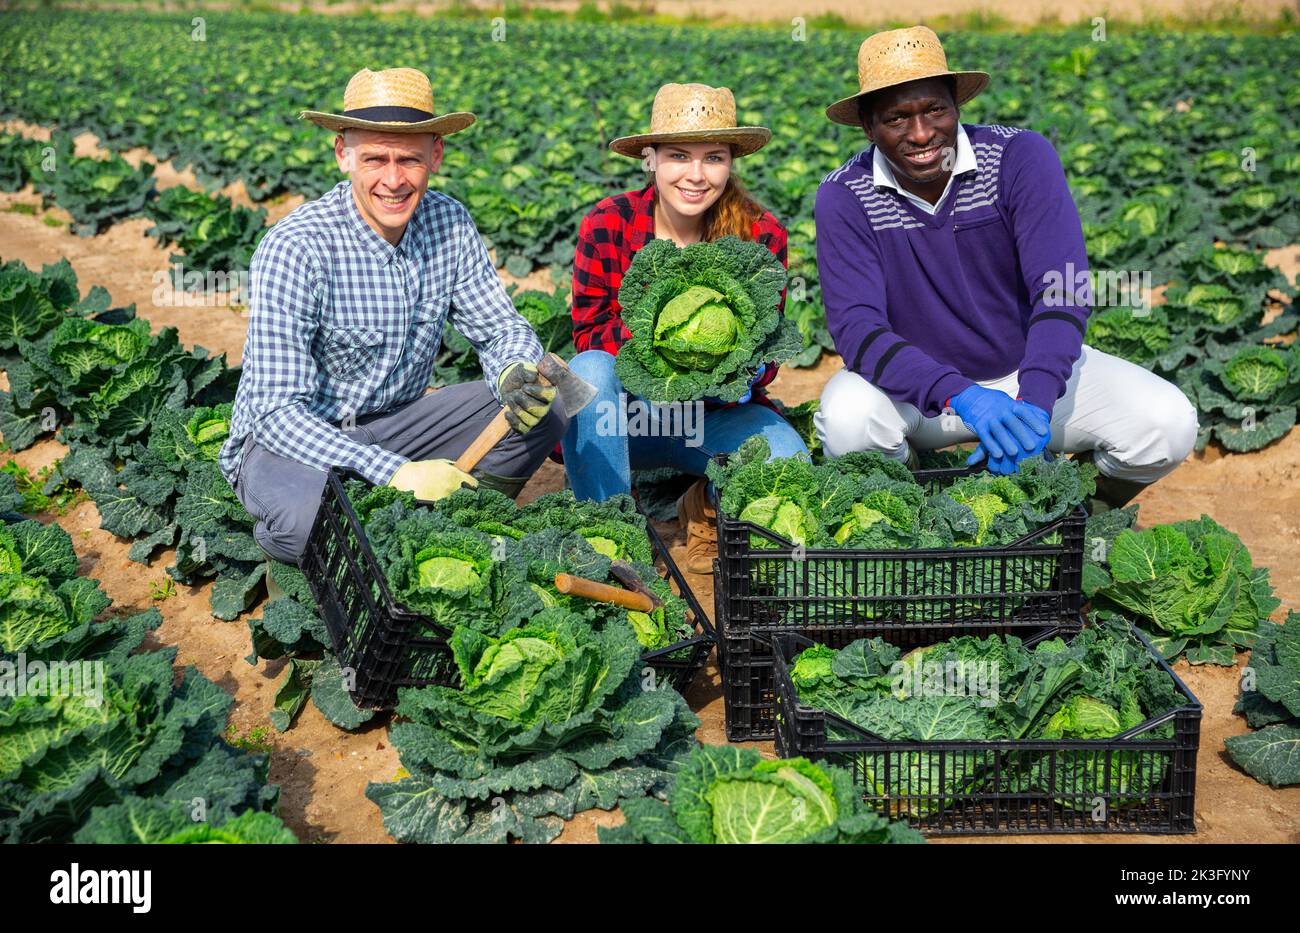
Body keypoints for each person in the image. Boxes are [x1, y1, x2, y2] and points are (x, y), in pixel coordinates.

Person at [813, 26, 1197, 513]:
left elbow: (1062, 290)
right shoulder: (845, 195)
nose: (921, 133)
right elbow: (858, 330)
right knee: (849, 419)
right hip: (919, 393)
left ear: (956, 106)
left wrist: (1034, 403)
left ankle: (1069, 514)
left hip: (1025, 377)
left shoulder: (1019, 158)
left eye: (935, 109)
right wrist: (961, 394)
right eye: (896, 118)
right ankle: (906, 509)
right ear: (868, 128)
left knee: (1166, 423)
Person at [219, 67, 566, 564]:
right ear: (343, 154)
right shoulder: (296, 247)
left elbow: (500, 329)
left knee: (544, 410)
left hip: (399, 423)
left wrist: (514, 369)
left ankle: (454, 530)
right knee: (308, 525)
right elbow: (275, 414)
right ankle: (299, 569)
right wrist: (396, 473)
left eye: (410, 159)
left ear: (436, 156)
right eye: (375, 158)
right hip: (292, 442)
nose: (394, 179)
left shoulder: (448, 223)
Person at [563, 83, 808, 572]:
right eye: (678, 156)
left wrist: (728, 364)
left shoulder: (760, 233)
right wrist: (662, 349)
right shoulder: (609, 223)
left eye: (713, 158)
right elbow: (590, 332)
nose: (696, 176)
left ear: (731, 162)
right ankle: (611, 530)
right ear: (650, 159)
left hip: (713, 415)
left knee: (787, 463)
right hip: (627, 419)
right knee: (588, 368)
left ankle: (707, 502)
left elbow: (769, 352)